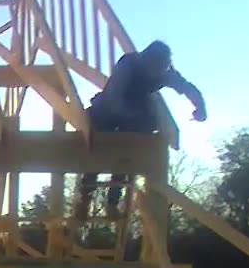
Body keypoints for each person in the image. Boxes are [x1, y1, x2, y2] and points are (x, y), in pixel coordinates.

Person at [78, 41, 206, 217]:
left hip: (131, 114)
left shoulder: (164, 73)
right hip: (106, 110)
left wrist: (200, 106)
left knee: (126, 157)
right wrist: (132, 117)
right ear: (148, 61)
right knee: (97, 152)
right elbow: (114, 98)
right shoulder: (128, 65)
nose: (157, 73)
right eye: (156, 68)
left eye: (161, 69)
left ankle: (113, 202)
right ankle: (85, 199)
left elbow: (187, 87)